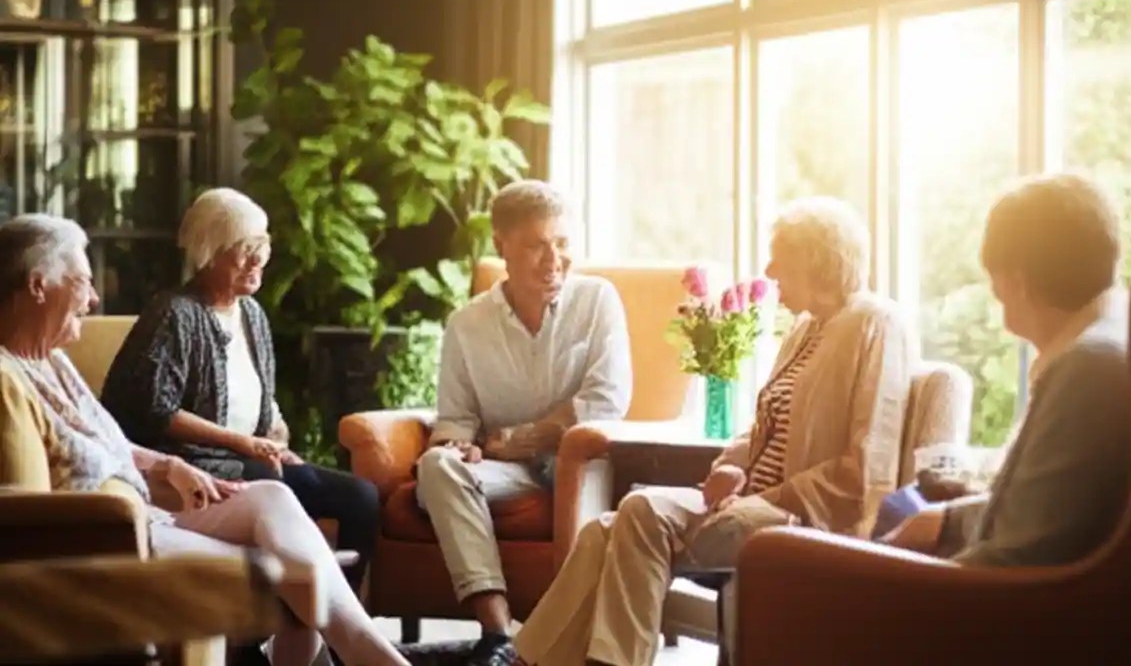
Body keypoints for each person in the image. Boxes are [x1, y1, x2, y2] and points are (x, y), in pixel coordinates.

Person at [512, 196, 919, 666]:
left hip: (803, 518)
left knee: (640, 508)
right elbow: (763, 429)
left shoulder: (877, 324)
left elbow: (869, 469)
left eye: (779, 258)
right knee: (605, 530)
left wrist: (771, 498)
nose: (768, 271)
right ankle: (532, 660)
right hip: (754, 501)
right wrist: (731, 466)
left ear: (815, 258)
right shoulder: (804, 330)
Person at [0, 214, 410, 666]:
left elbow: (104, 441)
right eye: (83, 281)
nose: (95, 298)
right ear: (38, 286)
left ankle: (368, 654)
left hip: (148, 509)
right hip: (112, 535)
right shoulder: (6, 378)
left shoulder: (51, 361)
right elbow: (28, 515)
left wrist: (166, 467)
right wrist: (211, 453)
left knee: (273, 498)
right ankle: (373, 657)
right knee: (290, 570)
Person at [100, 188, 379, 590]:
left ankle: (330, 613)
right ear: (209, 252)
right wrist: (241, 443)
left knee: (361, 498)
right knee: (271, 483)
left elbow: (258, 392)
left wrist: (274, 433)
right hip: (196, 463)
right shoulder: (174, 314)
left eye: (262, 244)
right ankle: (260, 627)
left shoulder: (251, 313)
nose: (258, 259)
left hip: (254, 457)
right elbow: (155, 411)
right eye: (245, 247)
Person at [414, 180, 632, 666]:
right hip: (504, 470)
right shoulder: (467, 324)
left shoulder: (598, 301)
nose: (554, 259)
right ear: (502, 246)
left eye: (562, 243)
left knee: (576, 462)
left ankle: (569, 644)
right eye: (537, 245)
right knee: (435, 467)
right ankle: (498, 635)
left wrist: (530, 436)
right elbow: (456, 416)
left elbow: (607, 398)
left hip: (578, 460)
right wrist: (457, 446)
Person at [880, 173, 1131, 566]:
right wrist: (948, 520)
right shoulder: (1119, 335)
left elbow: (1017, 558)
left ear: (1017, 283)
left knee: (782, 558)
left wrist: (880, 584)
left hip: (1006, 613)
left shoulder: (1086, 370)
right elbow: (1044, 510)